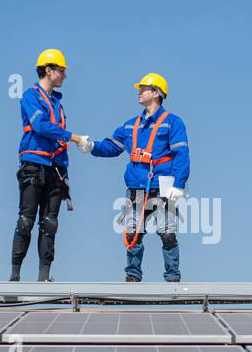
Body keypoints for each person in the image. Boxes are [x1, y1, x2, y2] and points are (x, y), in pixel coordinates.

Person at [75, 72, 188, 282]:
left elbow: (182, 154)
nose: (139, 91)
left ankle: (173, 279)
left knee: (167, 233)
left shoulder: (173, 123)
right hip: (136, 185)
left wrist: (178, 185)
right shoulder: (130, 125)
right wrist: (91, 146)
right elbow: (111, 146)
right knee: (133, 233)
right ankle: (133, 276)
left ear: (156, 93)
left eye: (144, 88)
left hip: (164, 185)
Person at [10, 48, 89, 282]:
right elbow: (41, 126)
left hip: (56, 168)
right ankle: (15, 276)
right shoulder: (30, 96)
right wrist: (73, 137)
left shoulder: (57, 102)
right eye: (61, 71)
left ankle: (44, 277)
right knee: (26, 220)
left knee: (49, 223)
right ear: (49, 70)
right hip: (34, 165)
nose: (64, 75)